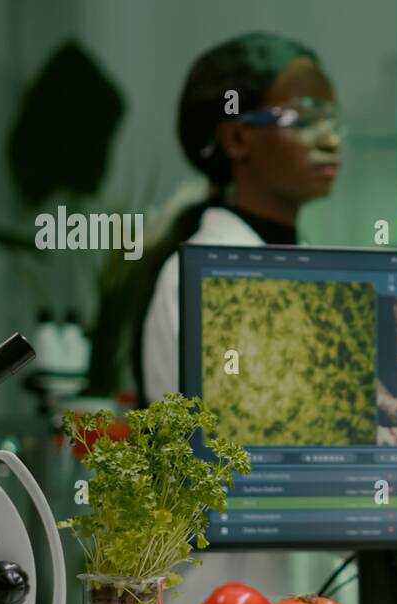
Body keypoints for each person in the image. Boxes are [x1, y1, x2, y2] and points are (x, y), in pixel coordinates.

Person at [136, 32, 342, 404]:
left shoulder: (317, 269)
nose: (331, 140)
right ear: (236, 139)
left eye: (331, 120)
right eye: (303, 118)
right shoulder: (194, 278)